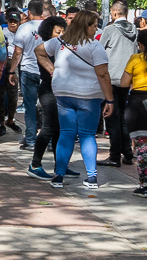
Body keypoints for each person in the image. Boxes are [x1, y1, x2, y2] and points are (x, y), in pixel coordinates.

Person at [46, 10, 114, 190]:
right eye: (93, 25)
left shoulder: (59, 42)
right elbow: (102, 73)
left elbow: (39, 51)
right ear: (85, 26)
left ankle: (58, 175)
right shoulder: (94, 46)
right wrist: (110, 99)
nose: (95, 28)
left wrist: (51, 69)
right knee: (87, 135)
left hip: (63, 93)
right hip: (88, 95)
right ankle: (91, 177)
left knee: (66, 133)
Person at [27, 17, 74, 181]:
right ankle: (35, 165)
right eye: (57, 31)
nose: (61, 34)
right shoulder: (45, 49)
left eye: (63, 31)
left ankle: (60, 165)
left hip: (61, 91)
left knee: (59, 130)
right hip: (49, 90)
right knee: (48, 128)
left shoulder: (62, 48)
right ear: (48, 32)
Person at [98, 0, 137, 168]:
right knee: (123, 118)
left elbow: (99, 50)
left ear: (114, 13)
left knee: (112, 118)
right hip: (127, 79)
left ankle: (114, 156)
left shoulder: (110, 29)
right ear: (126, 13)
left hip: (111, 79)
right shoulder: (134, 30)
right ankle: (128, 153)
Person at [9, 0, 45, 151]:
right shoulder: (48, 27)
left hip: (28, 69)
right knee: (46, 106)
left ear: (29, 12)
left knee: (29, 106)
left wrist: (12, 71)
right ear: (42, 12)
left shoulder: (23, 28)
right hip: (45, 71)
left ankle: (30, 138)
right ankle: (47, 138)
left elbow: (18, 52)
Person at [120, 29, 147, 196]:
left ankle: (145, 185)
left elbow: (124, 83)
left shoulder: (135, 59)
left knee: (143, 146)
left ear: (141, 45)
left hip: (138, 103)